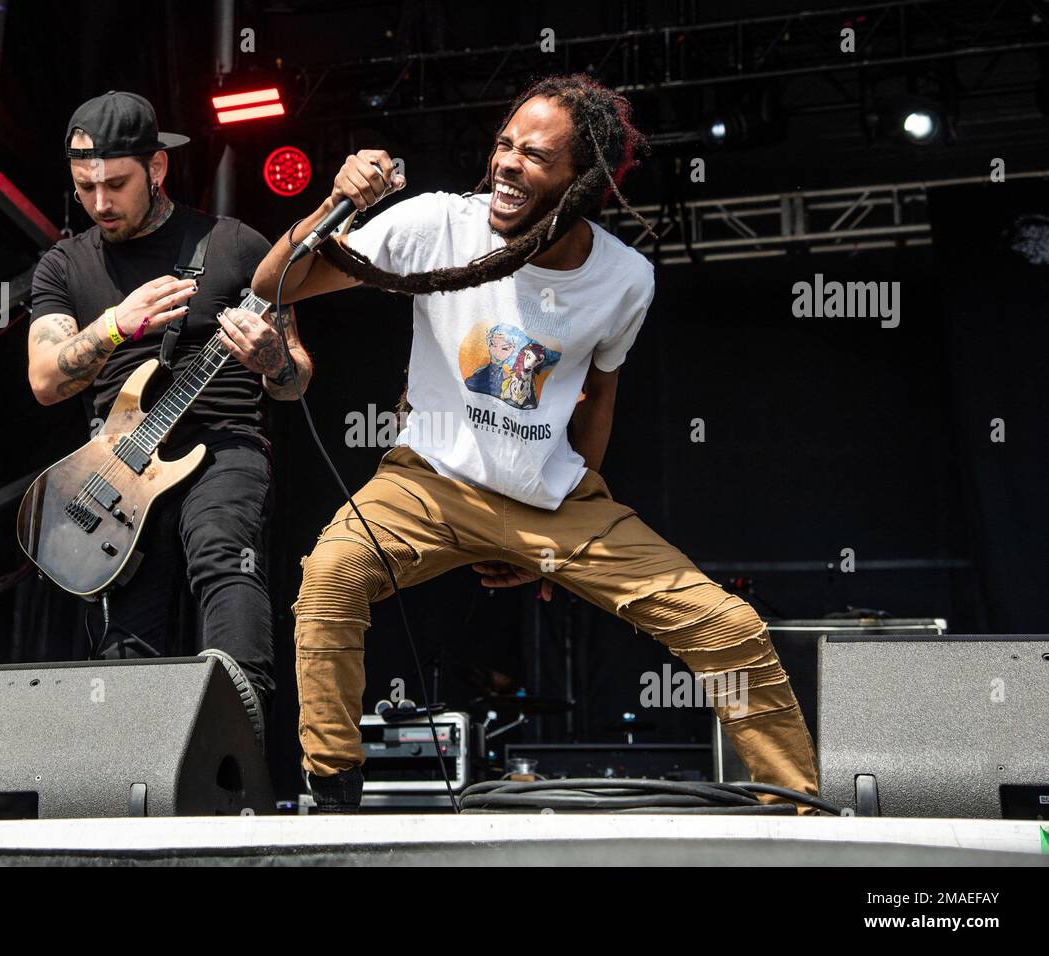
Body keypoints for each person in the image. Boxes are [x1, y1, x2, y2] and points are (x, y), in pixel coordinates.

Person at [253, 73, 819, 811]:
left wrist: (563, 534)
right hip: (428, 482)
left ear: (581, 181)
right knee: (330, 577)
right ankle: (333, 792)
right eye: (503, 144)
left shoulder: (625, 277)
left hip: (551, 497)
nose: (507, 163)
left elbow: (598, 396)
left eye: (535, 154)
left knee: (727, 625)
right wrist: (338, 203)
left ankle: (800, 810)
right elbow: (276, 282)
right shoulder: (437, 225)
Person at [27, 91, 312, 746]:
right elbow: (44, 380)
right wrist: (113, 326)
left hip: (223, 443)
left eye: (117, 184)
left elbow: (295, 380)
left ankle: (236, 742)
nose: (100, 203)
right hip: (116, 467)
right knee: (127, 620)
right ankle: (130, 767)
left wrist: (271, 359)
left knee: (221, 551)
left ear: (157, 168)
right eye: (85, 188)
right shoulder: (65, 265)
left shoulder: (235, 246)